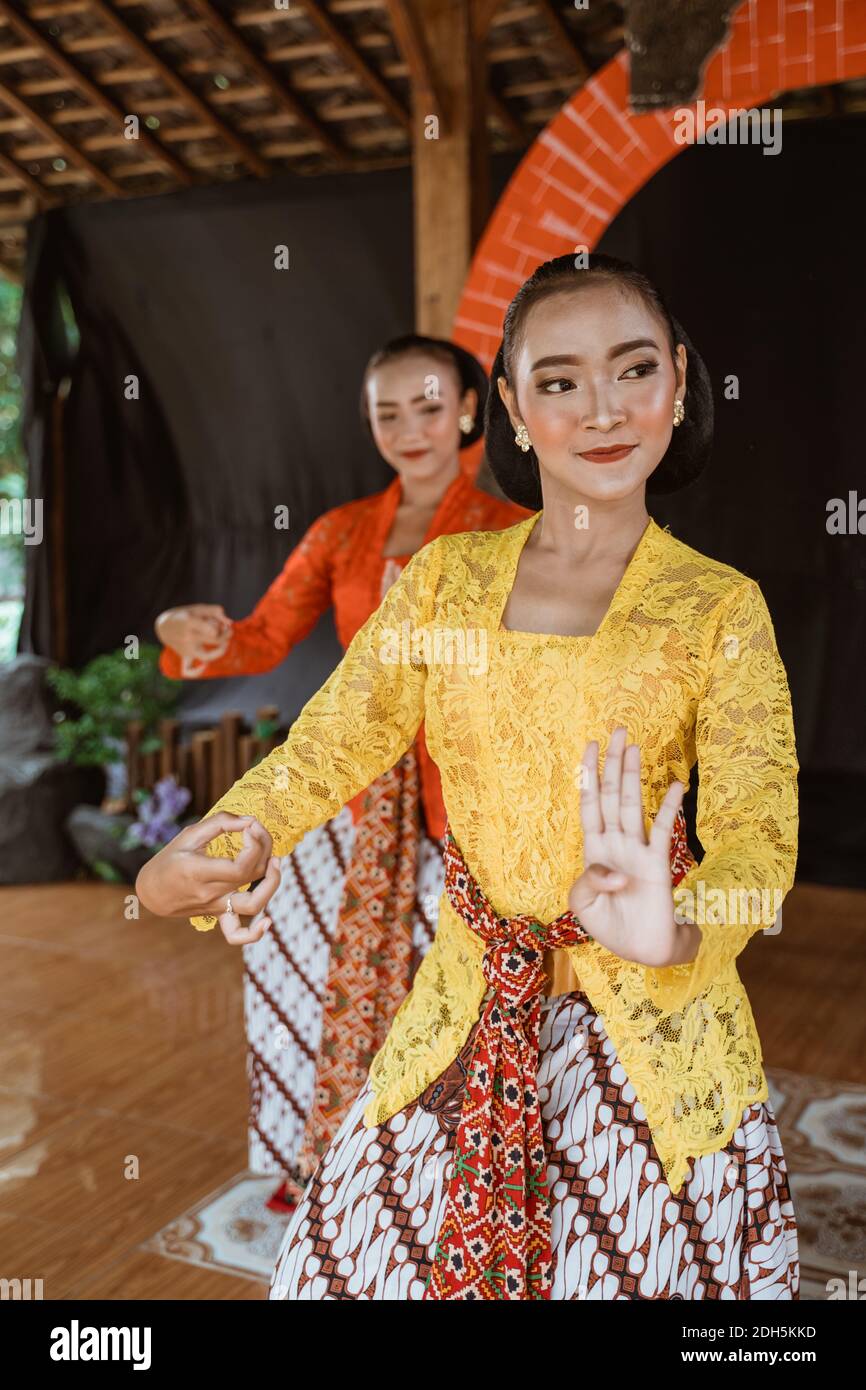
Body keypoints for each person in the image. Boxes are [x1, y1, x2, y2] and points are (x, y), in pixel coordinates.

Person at [138, 253, 800, 1300]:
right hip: (464, 993)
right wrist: (230, 835)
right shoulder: (448, 577)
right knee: (343, 1264)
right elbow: (333, 741)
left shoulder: (715, 608)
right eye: (556, 380)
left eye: (632, 370)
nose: (600, 409)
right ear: (509, 407)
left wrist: (674, 927)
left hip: (649, 1025)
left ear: (677, 380)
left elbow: (761, 842)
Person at [153, 335, 530, 1206]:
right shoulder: (342, 530)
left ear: (470, 411)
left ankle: (447, 1171)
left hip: (464, 793)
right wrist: (185, 636)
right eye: (386, 411)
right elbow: (257, 639)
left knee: (454, 980)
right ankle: (321, 1157)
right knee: (288, 949)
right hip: (352, 784)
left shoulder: (511, 530)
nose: (409, 427)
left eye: (428, 405)